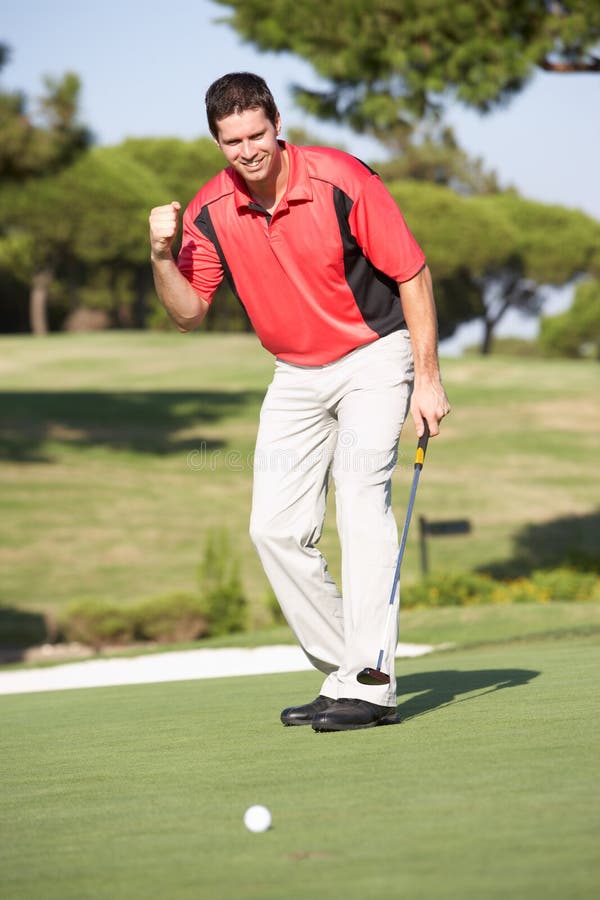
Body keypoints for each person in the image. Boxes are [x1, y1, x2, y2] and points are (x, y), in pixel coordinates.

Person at [149, 72, 450, 732]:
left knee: (361, 501)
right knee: (274, 529)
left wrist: (426, 377)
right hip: (295, 373)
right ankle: (348, 669)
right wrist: (161, 254)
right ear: (217, 141)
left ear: (277, 122)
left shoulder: (342, 179)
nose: (248, 151)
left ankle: (371, 686)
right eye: (232, 141)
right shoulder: (210, 211)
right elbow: (187, 313)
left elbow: (411, 272)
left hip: (375, 355)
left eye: (257, 134)